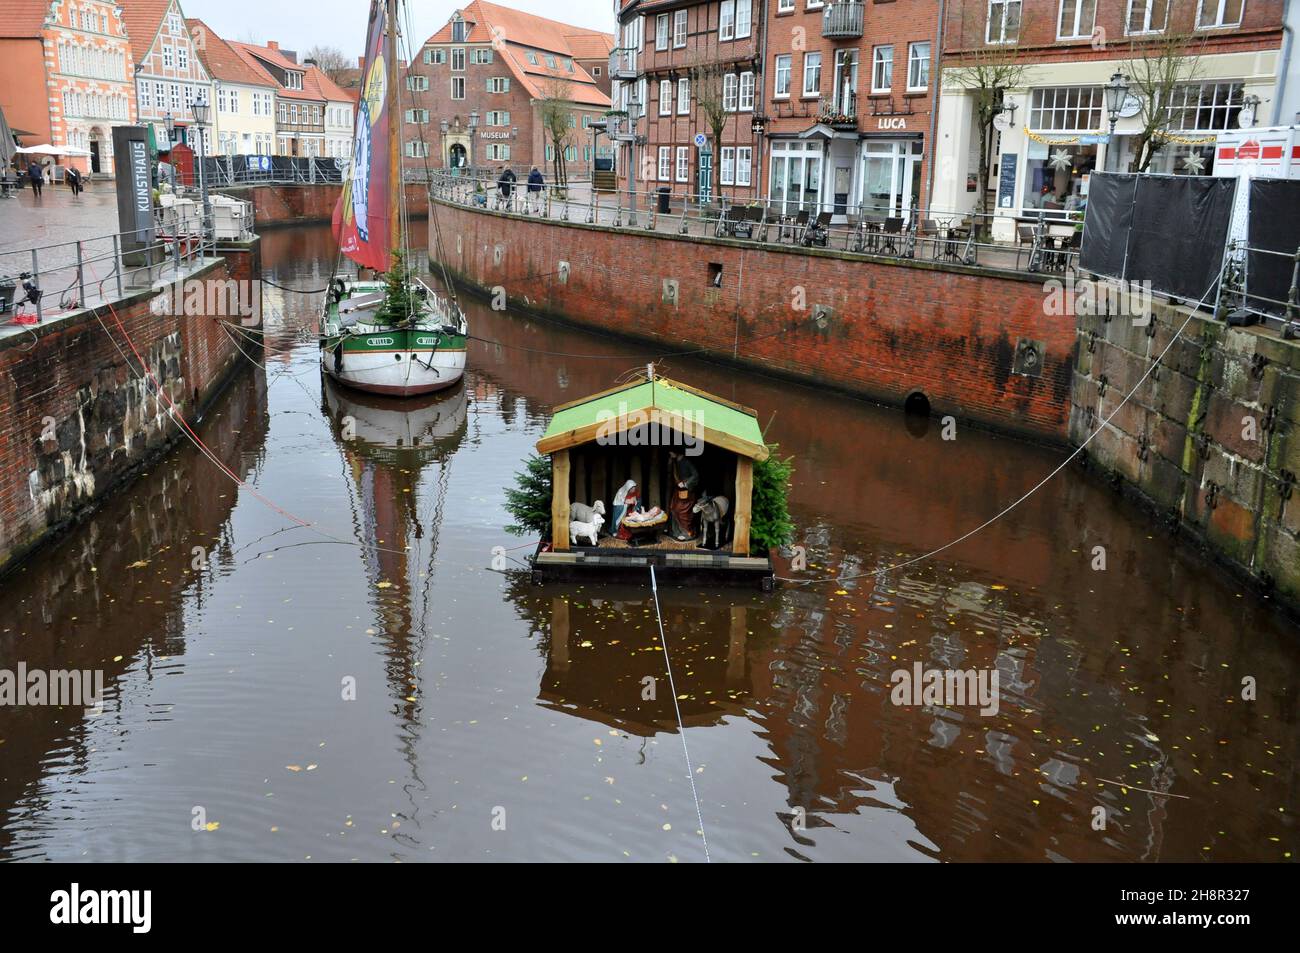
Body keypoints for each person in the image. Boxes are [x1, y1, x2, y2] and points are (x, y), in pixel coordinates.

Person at [667, 450, 700, 542]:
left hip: (687, 492)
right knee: (673, 508)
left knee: (684, 513)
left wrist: (686, 483)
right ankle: (677, 532)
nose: (670, 453)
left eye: (671, 451)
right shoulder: (674, 462)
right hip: (678, 491)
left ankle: (688, 533)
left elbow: (696, 475)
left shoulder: (686, 462)